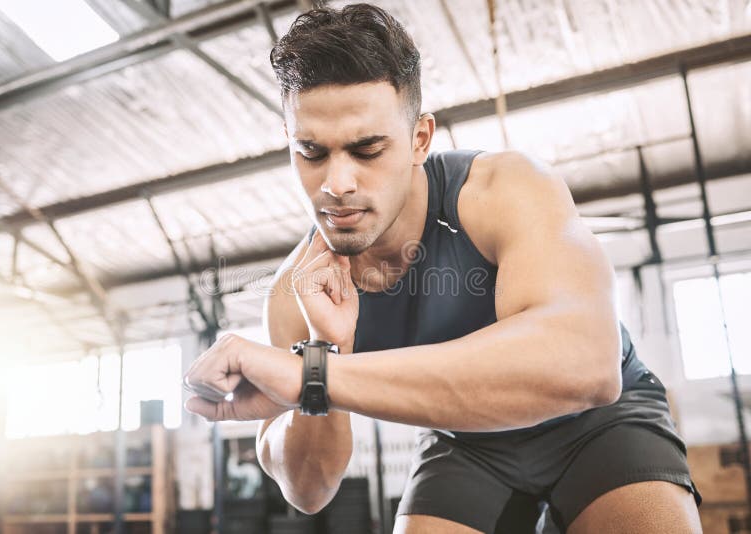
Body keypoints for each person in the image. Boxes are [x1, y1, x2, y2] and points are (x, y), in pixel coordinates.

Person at [183, 4, 703, 532]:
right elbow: (309, 489)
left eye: (367, 149)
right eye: (311, 152)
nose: (336, 183)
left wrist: (313, 374)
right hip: (464, 442)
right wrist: (324, 353)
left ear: (420, 139)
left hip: (596, 428)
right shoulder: (295, 290)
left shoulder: (502, 189)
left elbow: (587, 366)